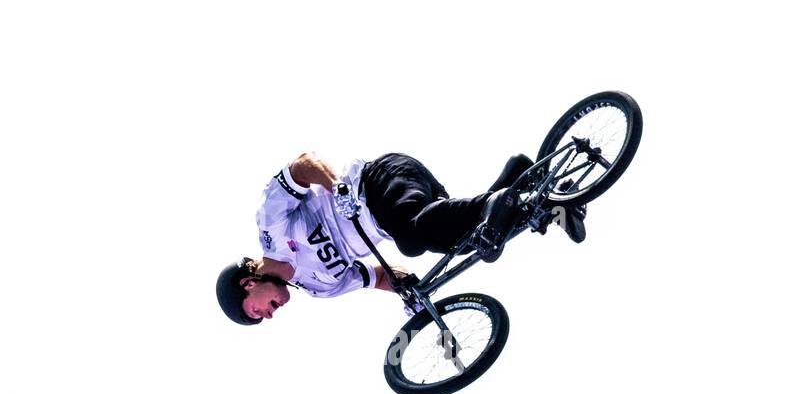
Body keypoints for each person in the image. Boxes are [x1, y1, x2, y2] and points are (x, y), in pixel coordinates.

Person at [215, 150, 586, 326]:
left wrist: (336, 187)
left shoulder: (271, 226)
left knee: (412, 236)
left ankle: (508, 199)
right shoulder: (319, 287)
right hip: (406, 214)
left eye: (256, 311)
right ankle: (535, 190)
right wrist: (410, 292)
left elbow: (303, 164)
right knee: (472, 243)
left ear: (248, 283)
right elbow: (377, 276)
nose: (267, 316)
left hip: (380, 181)